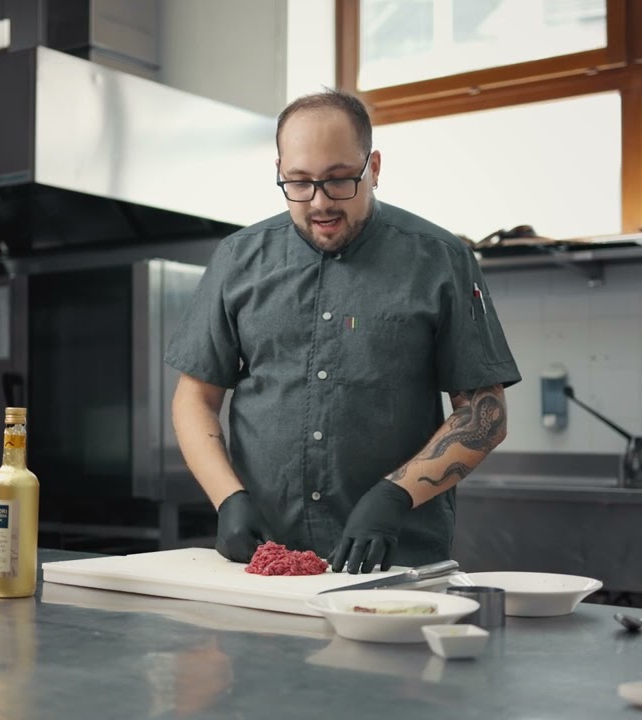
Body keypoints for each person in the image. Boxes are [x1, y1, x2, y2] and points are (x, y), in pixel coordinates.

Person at [165, 89, 521, 574]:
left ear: (373, 167)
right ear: (279, 170)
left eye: (338, 181)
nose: (319, 203)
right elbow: (195, 398)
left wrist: (396, 495)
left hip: (395, 563)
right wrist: (228, 497)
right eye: (299, 182)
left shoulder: (440, 260)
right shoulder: (237, 259)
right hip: (266, 562)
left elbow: (486, 413)